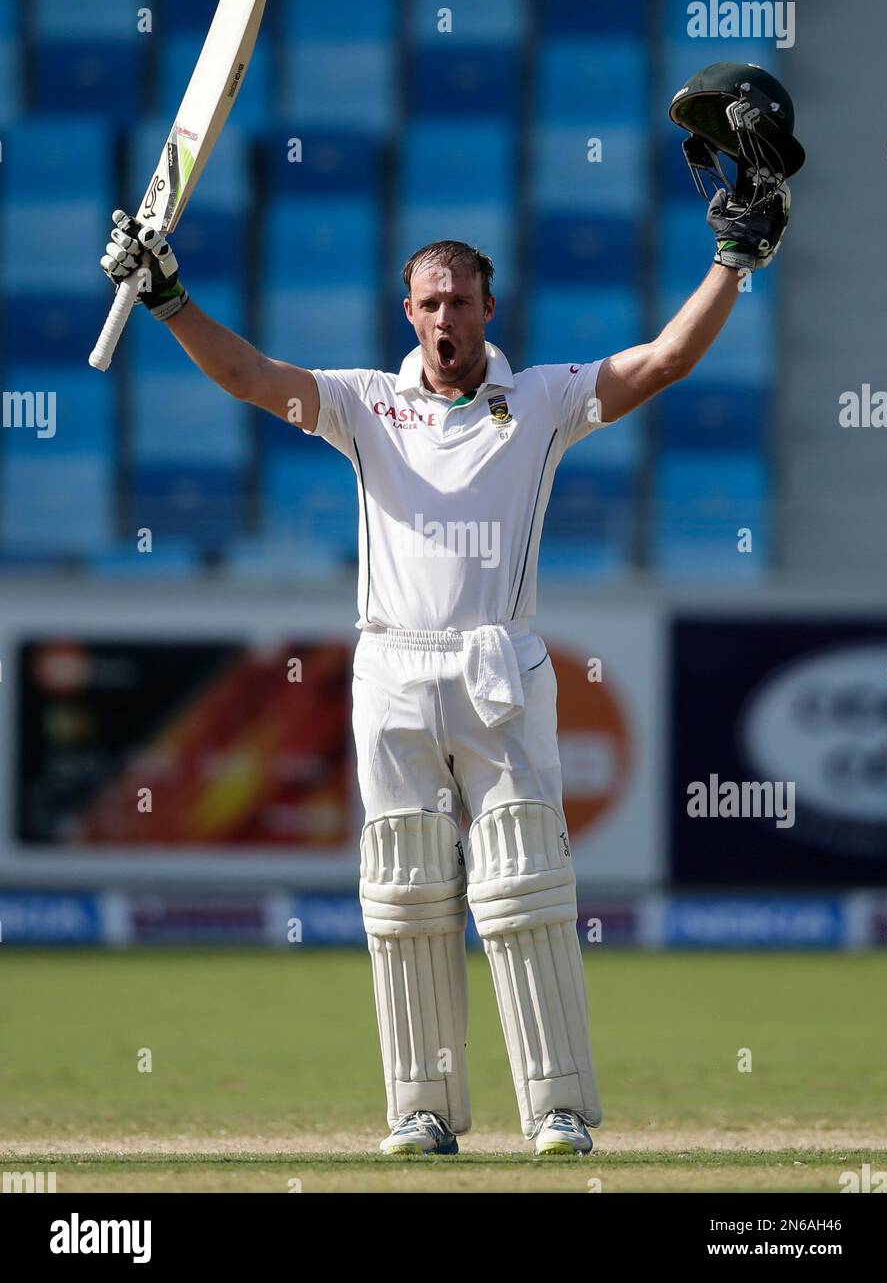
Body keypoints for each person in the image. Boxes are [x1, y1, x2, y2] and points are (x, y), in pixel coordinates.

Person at [99, 185, 789, 1156]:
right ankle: (420, 1111)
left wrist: (731, 259)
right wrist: (168, 297)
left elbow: (663, 361)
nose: (442, 318)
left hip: (497, 664)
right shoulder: (364, 403)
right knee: (406, 892)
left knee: (523, 883)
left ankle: (555, 1109)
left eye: (459, 301)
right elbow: (251, 375)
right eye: (427, 302)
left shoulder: (541, 398)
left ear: (487, 312)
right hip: (390, 667)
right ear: (406, 312)